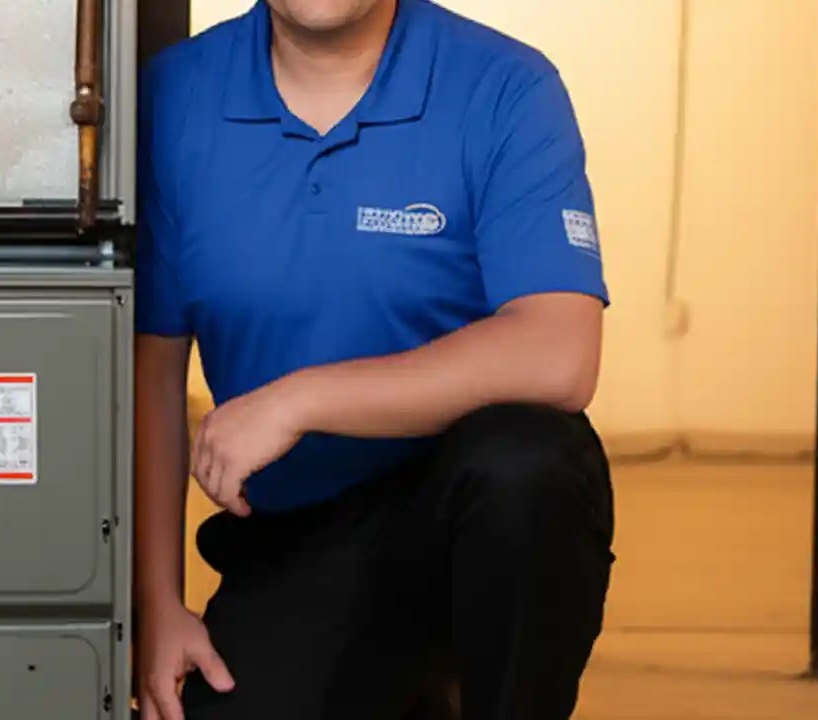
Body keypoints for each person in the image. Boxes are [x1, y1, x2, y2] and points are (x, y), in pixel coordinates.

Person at [133, 0, 615, 718]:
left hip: (463, 507)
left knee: (529, 463)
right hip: (296, 536)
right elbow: (151, 374)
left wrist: (298, 399)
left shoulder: (504, 86)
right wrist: (155, 609)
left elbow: (560, 353)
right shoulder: (177, 96)